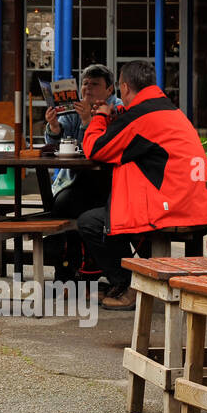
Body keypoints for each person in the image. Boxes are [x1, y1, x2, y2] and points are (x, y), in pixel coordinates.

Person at [77, 60, 207, 311]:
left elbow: (96, 149)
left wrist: (99, 117)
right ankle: (131, 281)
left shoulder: (140, 116)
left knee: (92, 222)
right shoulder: (169, 110)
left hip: (171, 206)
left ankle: (130, 285)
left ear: (126, 87)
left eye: (120, 88)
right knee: (111, 212)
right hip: (194, 201)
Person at [42, 64, 122, 279]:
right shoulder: (74, 107)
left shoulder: (117, 108)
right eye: (85, 83)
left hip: (109, 182)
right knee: (60, 204)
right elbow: (55, 140)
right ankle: (66, 267)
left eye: (95, 84)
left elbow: (101, 149)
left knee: (66, 205)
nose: (87, 88)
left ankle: (74, 269)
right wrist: (54, 127)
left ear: (110, 89)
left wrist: (88, 121)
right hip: (76, 178)